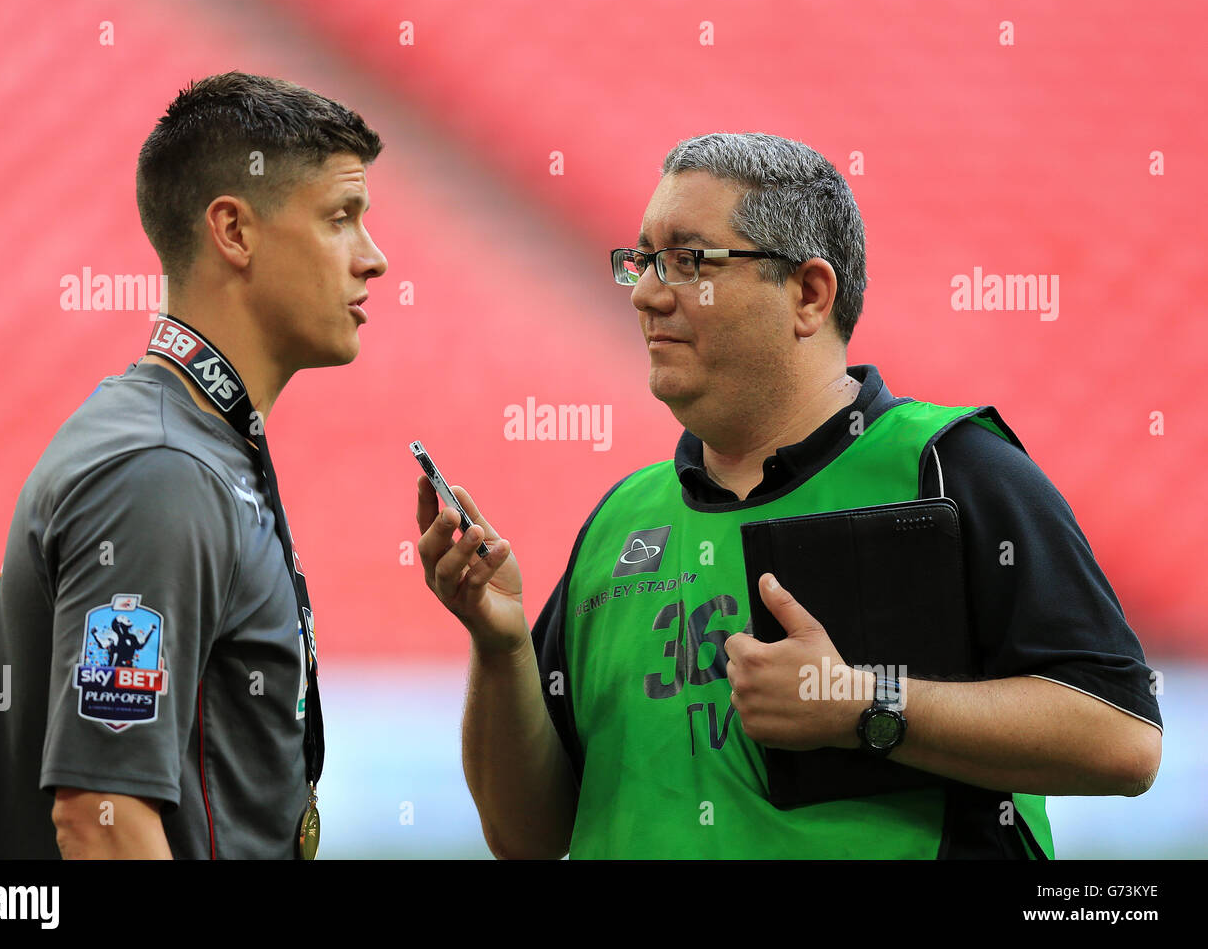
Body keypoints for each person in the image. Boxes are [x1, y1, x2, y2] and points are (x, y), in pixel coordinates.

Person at [416, 133, 1162, 859]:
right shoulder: (620, 522)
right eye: (642, 260)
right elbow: (527, 838)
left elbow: (1123, 739)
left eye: (686, 260)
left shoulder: (951, 470)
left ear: (809, 293)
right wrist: (501, 645)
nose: (645, 292)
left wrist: (864, 706)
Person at [0, 72, 387, 859]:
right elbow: (102, 819)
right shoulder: (161, 471)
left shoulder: (188, 444)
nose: (375, 259)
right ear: (234, 231)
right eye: (341, 219)